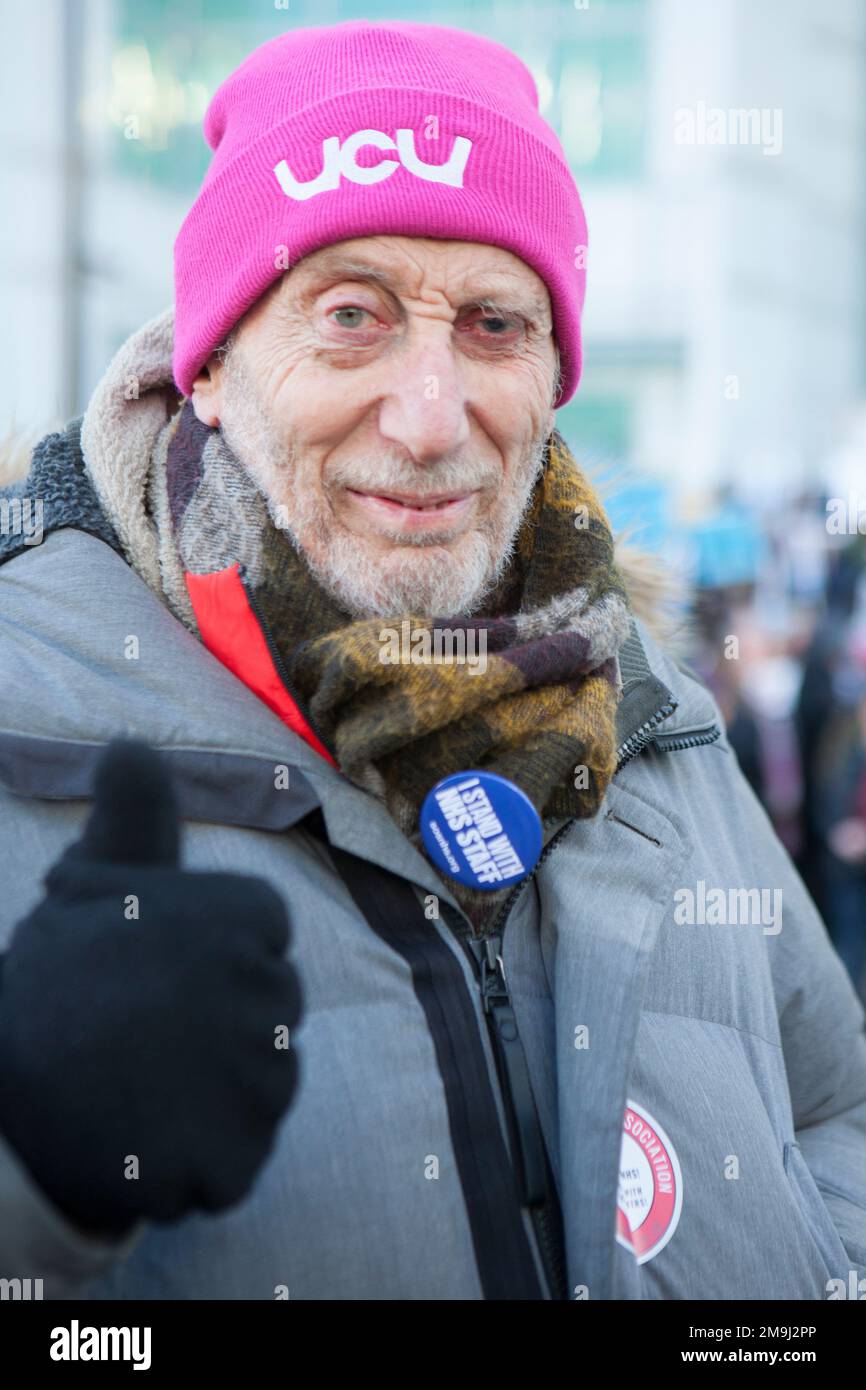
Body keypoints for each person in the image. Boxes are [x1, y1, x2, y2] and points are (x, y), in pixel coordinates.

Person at [1, 20, 864, 1301]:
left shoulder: (650, 719)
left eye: (493, 324)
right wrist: (33, 1181)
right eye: (350, 313)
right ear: (217, 365)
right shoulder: (30, 706)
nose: (427, 414)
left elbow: (833, 1102)